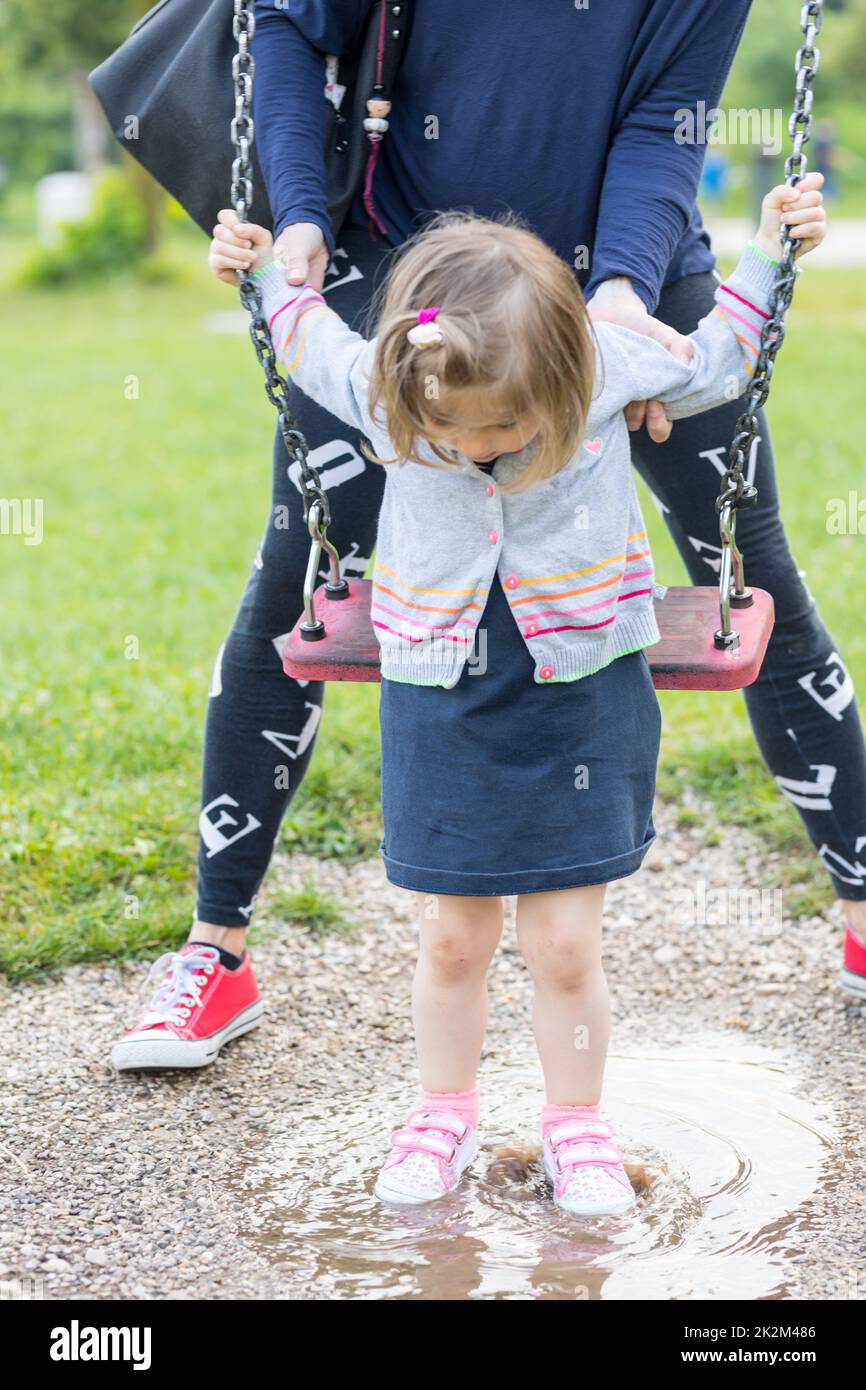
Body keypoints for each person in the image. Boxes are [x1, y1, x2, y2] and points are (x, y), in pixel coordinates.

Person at [110, 1, 866, 1074]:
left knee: (750, 573)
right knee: (301, 576)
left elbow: (665, 116)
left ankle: (862, 904)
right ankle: (215, 946)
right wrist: (291, 222)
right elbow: (284, 23)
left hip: (622, 276)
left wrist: (611, 315)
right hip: (414, 289)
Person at [194, 175, 824, 1214]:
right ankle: (441, 1111)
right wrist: (257, 269)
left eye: (506, 433)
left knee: (565, 942)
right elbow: (306, 338)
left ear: (565, 379)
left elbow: (717, 354)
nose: (478, 452)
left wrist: (765, 248)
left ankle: (575, 1124)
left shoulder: (597, 365)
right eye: (454, 437)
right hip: (440, 695)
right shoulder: (399, 382)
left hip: (583, 691)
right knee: (452, 935)